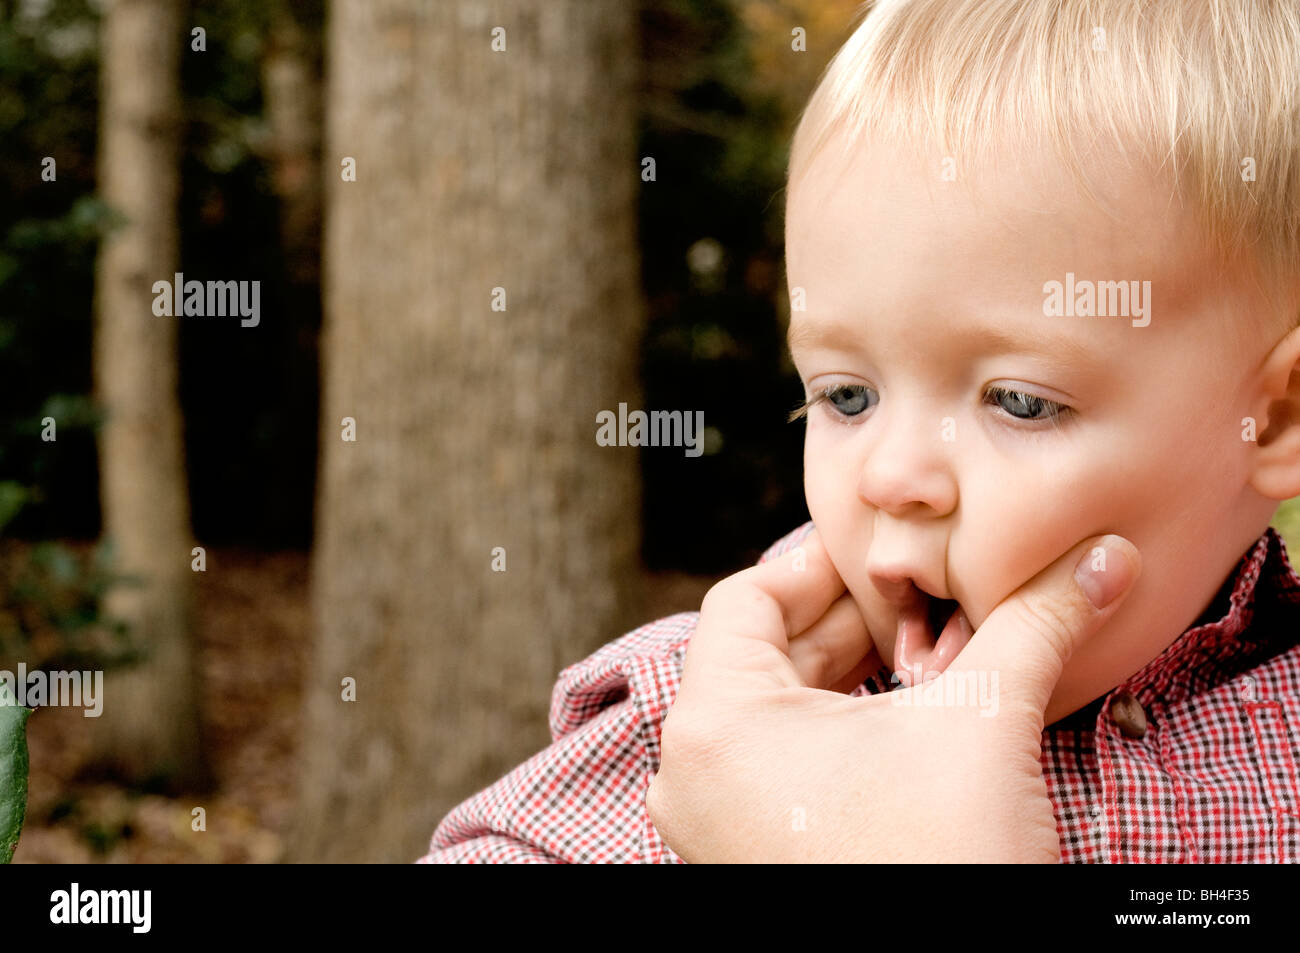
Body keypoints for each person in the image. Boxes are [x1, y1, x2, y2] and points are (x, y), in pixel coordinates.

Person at [417, 0, 1300, 863]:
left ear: (1277, 417)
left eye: (1018, 401)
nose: (891, 476)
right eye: (845, 396)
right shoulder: (711, 728)